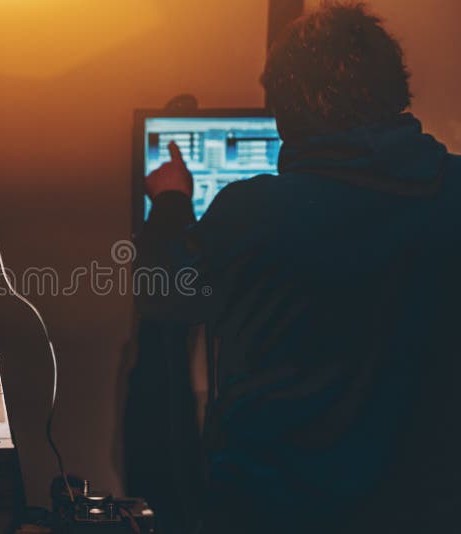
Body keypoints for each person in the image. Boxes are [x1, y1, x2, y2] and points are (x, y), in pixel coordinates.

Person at [136, 2, 461, 533]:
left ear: (286, 111)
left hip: (273, 511)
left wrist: (172, 203)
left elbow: (163, 296)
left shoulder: (251, 212)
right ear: (396, 90)